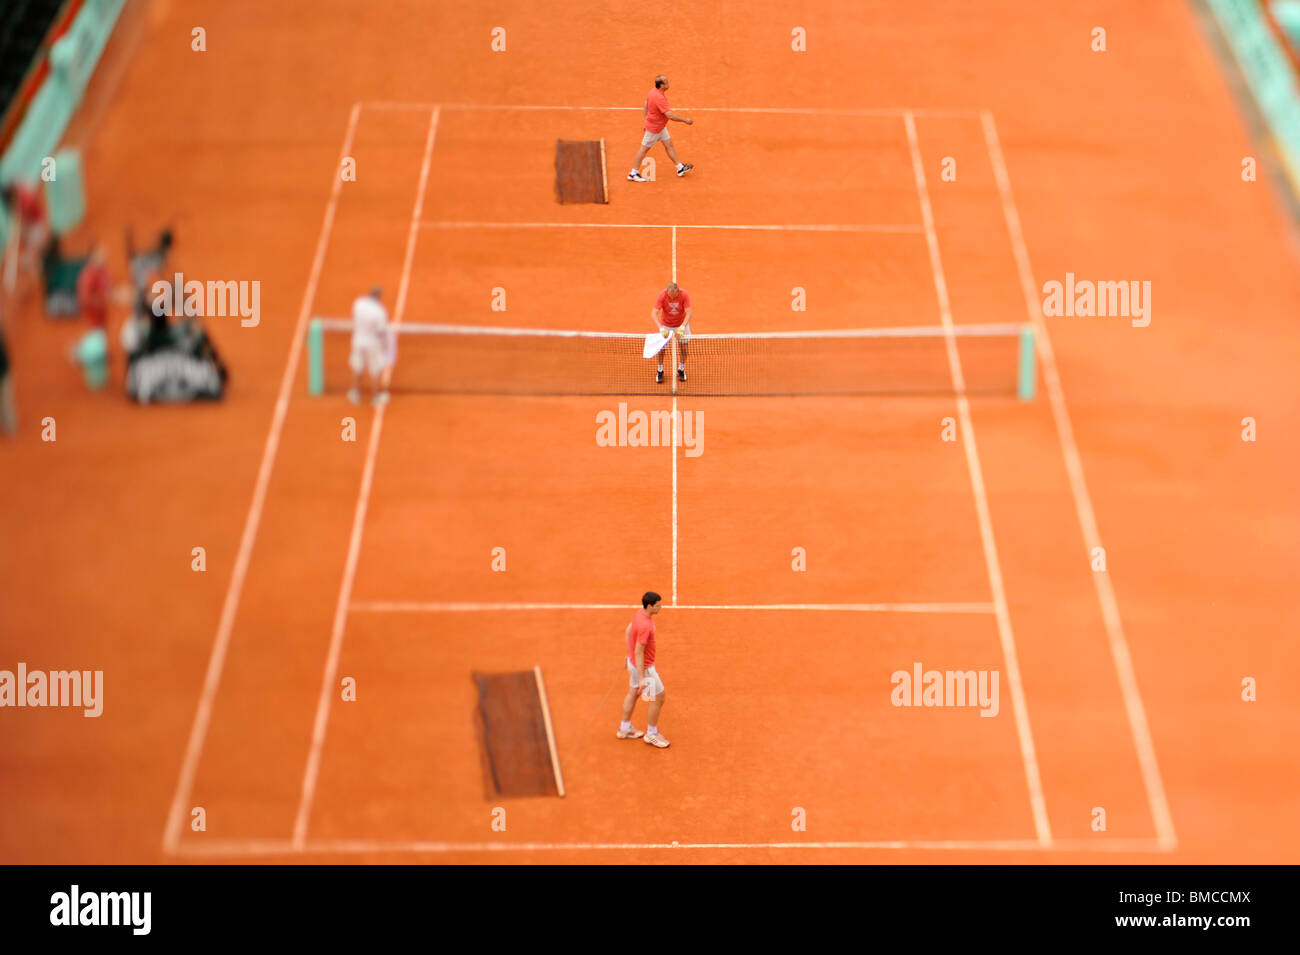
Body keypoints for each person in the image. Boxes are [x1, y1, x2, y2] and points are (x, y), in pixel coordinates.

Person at [619, 591, 670, 748]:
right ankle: (652, 734)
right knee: (659, 697)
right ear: (650, 606)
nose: (660, 607)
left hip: (633, 664)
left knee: (633, 693)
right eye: (658, 605)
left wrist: (628, 657)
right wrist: (642, 678)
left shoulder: (639, 614)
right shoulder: (646, 625)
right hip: (645, 668)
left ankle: (624, 728)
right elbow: (639, 651)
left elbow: (629, 631)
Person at [627, 75, 694, 182]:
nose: (669, 84)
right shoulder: (659, 98)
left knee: (669, 145)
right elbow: (670, 115)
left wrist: (646, 121)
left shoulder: (652, 92)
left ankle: (679, 167)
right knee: (643, 149)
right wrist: (685, 120)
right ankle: (633, 173)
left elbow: (645, 105)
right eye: (666, 82)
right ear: (662, 85)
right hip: (654, 129)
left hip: (660, 127)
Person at [348, 286, 393, 406]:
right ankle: (375, 397)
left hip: (358, 341)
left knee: (358, 366)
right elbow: (381, 331)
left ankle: (356, 393)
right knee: (375, 370)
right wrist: (385, 345)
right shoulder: (380, 312)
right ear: (379, 296)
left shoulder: (358, 303)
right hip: (373, 344)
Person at [2, 180, 49, 288]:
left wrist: (21, 225)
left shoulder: (24, 200)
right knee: (31, 248)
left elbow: (26, 217)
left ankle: (38, 268)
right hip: (32, 226)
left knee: (35, 250)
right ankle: (34, 262)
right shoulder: (20, 195)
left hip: (36, 226)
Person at [651, 281, 692, 383]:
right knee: (662, 349)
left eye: (674, 296)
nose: (672, 298)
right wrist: (661, 328)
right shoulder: (662, 295)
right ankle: (660, 369)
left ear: (678, 291)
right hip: (666, 325)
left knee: (684, 347)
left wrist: (682, 326)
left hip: (681, 323)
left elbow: (689, 313)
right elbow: (654, 313)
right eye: (670, 295)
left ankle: (681, 368)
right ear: (667, 292)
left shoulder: (684, 295)